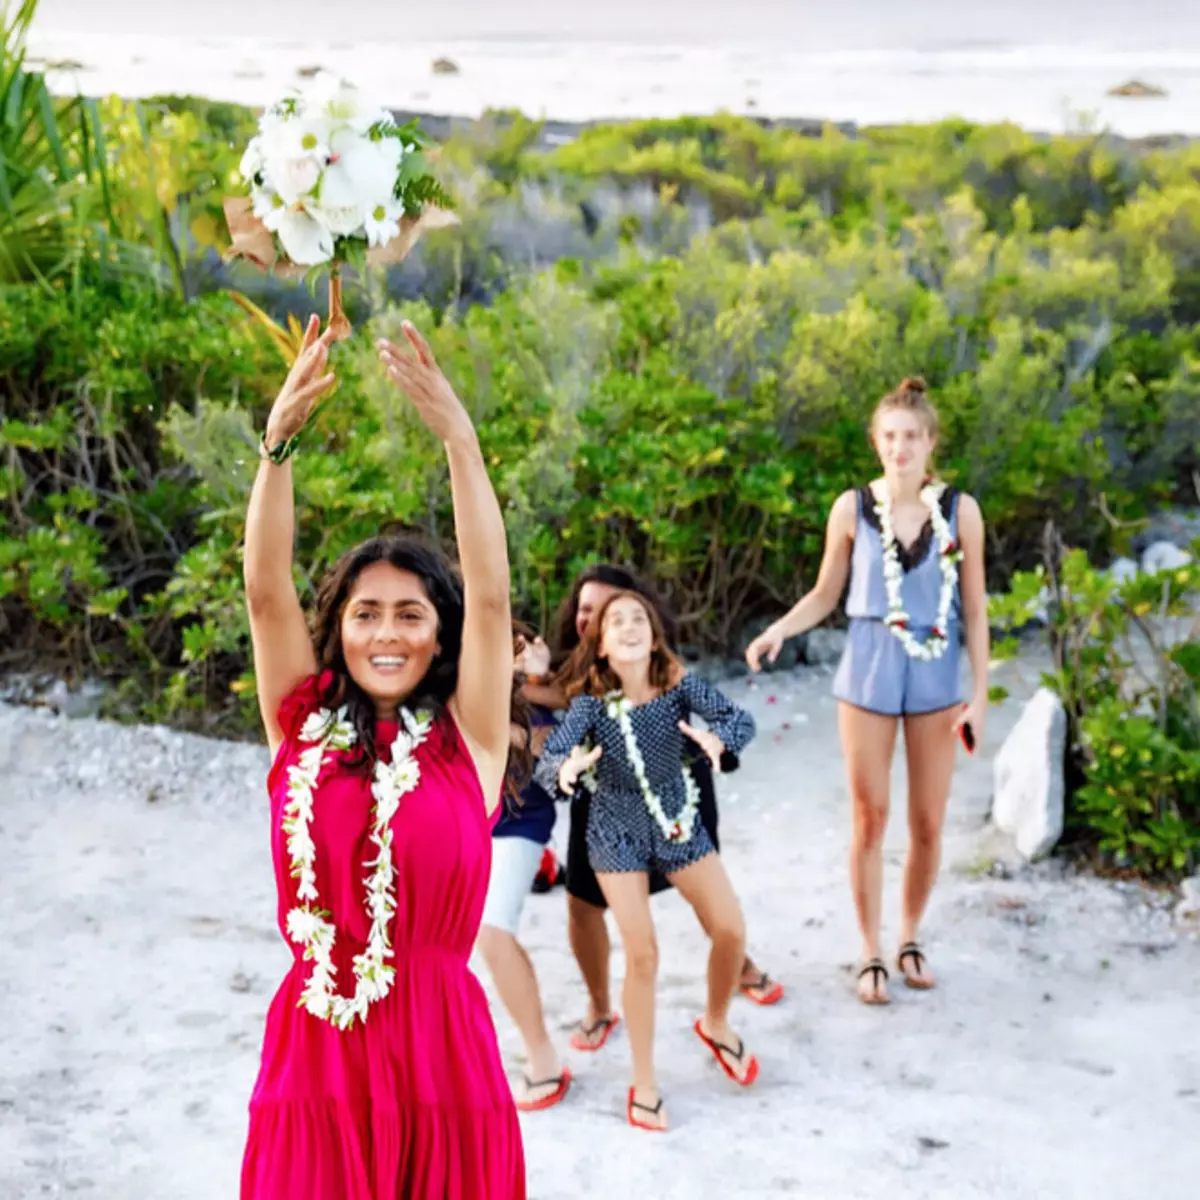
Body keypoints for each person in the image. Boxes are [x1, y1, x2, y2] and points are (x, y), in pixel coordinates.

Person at [240, 316, 525, 1197]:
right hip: (318, 1052)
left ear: (439, 635)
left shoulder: (469, 735)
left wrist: (461, 443)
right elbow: (263, 591)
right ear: (341, 628)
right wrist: (276, 446)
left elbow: (490, 589)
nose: (387, 632)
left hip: (442, 1057)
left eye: (410, 613)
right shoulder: (302, 724)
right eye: (367, 613)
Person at [746, 377, 989, 1005]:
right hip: (869, 668)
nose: (900, 448)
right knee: (869, 816)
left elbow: (976, 609)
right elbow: (827, 594)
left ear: (930, 441)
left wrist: (981, 693)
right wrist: (778, 630)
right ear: (876, 443)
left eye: (911, 436)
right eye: (889, 437)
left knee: (929, 822)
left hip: (936, 673)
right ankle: (870, 948)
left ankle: (910, 937)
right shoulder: (851, 508)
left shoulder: (960, 510)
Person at [536, 590, 760, 1132]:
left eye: (640, 618)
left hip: (678, 816)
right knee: (643, 951)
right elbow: (550, 759)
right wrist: (566, 772)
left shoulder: (678, 686)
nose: (631, 626)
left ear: (654, 635)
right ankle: (644, 1081)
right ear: (603, 646)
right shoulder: (590, 704)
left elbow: (742, 722)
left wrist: (716, 738)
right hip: (615, 830)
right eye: (617, 622)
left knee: (730, 929)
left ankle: (716, 1022)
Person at [474, 627, 571, 1114]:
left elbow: (548, 762)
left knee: (492, 934)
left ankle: (544, 1058)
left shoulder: (541, 696)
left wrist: (531, 679)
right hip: (464, 824)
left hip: (518, 824)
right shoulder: (459, 682)